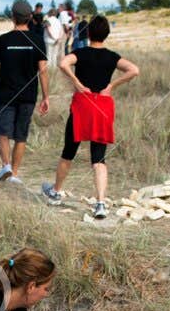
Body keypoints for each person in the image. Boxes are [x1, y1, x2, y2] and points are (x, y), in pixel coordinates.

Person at [42, 14, 139, 217]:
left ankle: (56, 192)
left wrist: (76, 82)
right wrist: (112, 85)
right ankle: (101, 203)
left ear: (87, 33)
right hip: (102, 106)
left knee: (68, 152)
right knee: (99, 158)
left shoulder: (81, 52)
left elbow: (62, 63)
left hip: (83, 105)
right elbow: (134, 70)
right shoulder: (112, 56)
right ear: (107, 34)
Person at [0, 0, 51, 186]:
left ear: (13, 17)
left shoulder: (4, 40)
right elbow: (43, 71)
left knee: (2, 131)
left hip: (6, 94)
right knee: (21, 134)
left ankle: (6, 165)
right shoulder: (36, 40)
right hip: (28, 96)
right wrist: (46, 96)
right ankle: (15, 173)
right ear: (30, 17)